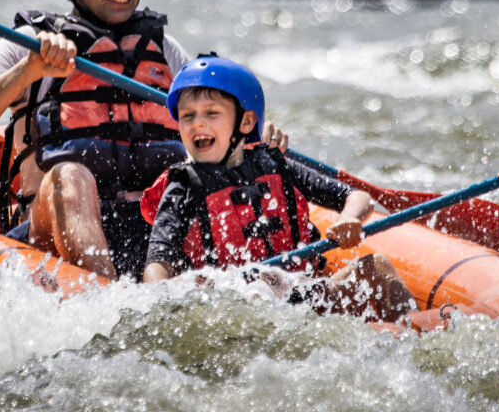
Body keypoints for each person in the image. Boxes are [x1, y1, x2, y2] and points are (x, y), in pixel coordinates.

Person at [0, 0, 288, 281]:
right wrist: (29, 71)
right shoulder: (29, 44)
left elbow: (213, 134)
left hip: (156, 229)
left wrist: (252, 140)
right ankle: (103, 301)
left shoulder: (165, 51)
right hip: (53, 228)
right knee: (70, 176)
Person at [140, 55, 417, 323]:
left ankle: (415, 332)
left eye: (212, 113)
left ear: (246, 123)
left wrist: (350, 219)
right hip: (235, 308)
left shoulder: (275, 164)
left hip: (301, 295)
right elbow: (157, 261)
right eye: (187, 116)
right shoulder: (183, 186)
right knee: (255, 296)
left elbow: (357, 197)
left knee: (377, 266)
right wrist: (159, 302)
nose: (197, 123)